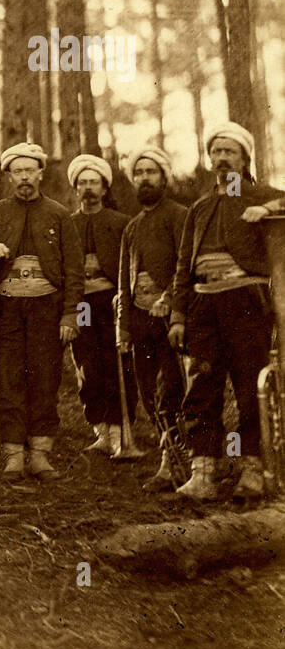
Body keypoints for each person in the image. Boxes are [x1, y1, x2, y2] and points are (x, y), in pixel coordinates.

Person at [0, 143, 84, 480]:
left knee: (44, 377)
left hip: (47, 308)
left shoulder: (58, 214)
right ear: (8, 176)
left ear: (41, 173)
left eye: (30, 170)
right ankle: (12, 455)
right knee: (8, 378)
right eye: (17, 171)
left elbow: (75, 272)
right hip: (6, 309)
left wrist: (69, 316)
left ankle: (39, 454)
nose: (24, 177)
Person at [169, 122, 285, 499]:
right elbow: (183, 264)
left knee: (251, 385)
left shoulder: (261, 193)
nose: (221, 158)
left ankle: (253, 469)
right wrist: (178, 316)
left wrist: (267, 207)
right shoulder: (200, 207)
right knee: (202, 386)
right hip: (203, 303)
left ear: (244, 157)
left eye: (229, 151)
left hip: (245, 301)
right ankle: (204, 472)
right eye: (216, 151)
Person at [117, 148, 189, 491]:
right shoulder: (132, 227)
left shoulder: (179, 216)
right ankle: (169, 457)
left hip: (169, 318)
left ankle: (177, 461)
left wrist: (171, 301)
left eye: (151, 172)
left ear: (164, 177)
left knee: (170, 389)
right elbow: (123, 280)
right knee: (147, 392)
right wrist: (124, 326)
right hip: (140, 318)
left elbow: (185, 265)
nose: (144, 178)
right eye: (139, 172)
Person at [65, 154, 139, 459]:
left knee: (118, 363)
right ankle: (101, 432)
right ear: (76, 188)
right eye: (82, 183)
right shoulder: (68, 224)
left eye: (93, 182)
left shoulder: (122, 223)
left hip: (112, 301)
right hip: (82, 302)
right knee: (87, 363)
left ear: (104, 188)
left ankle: (121, 431)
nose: (88, 188)